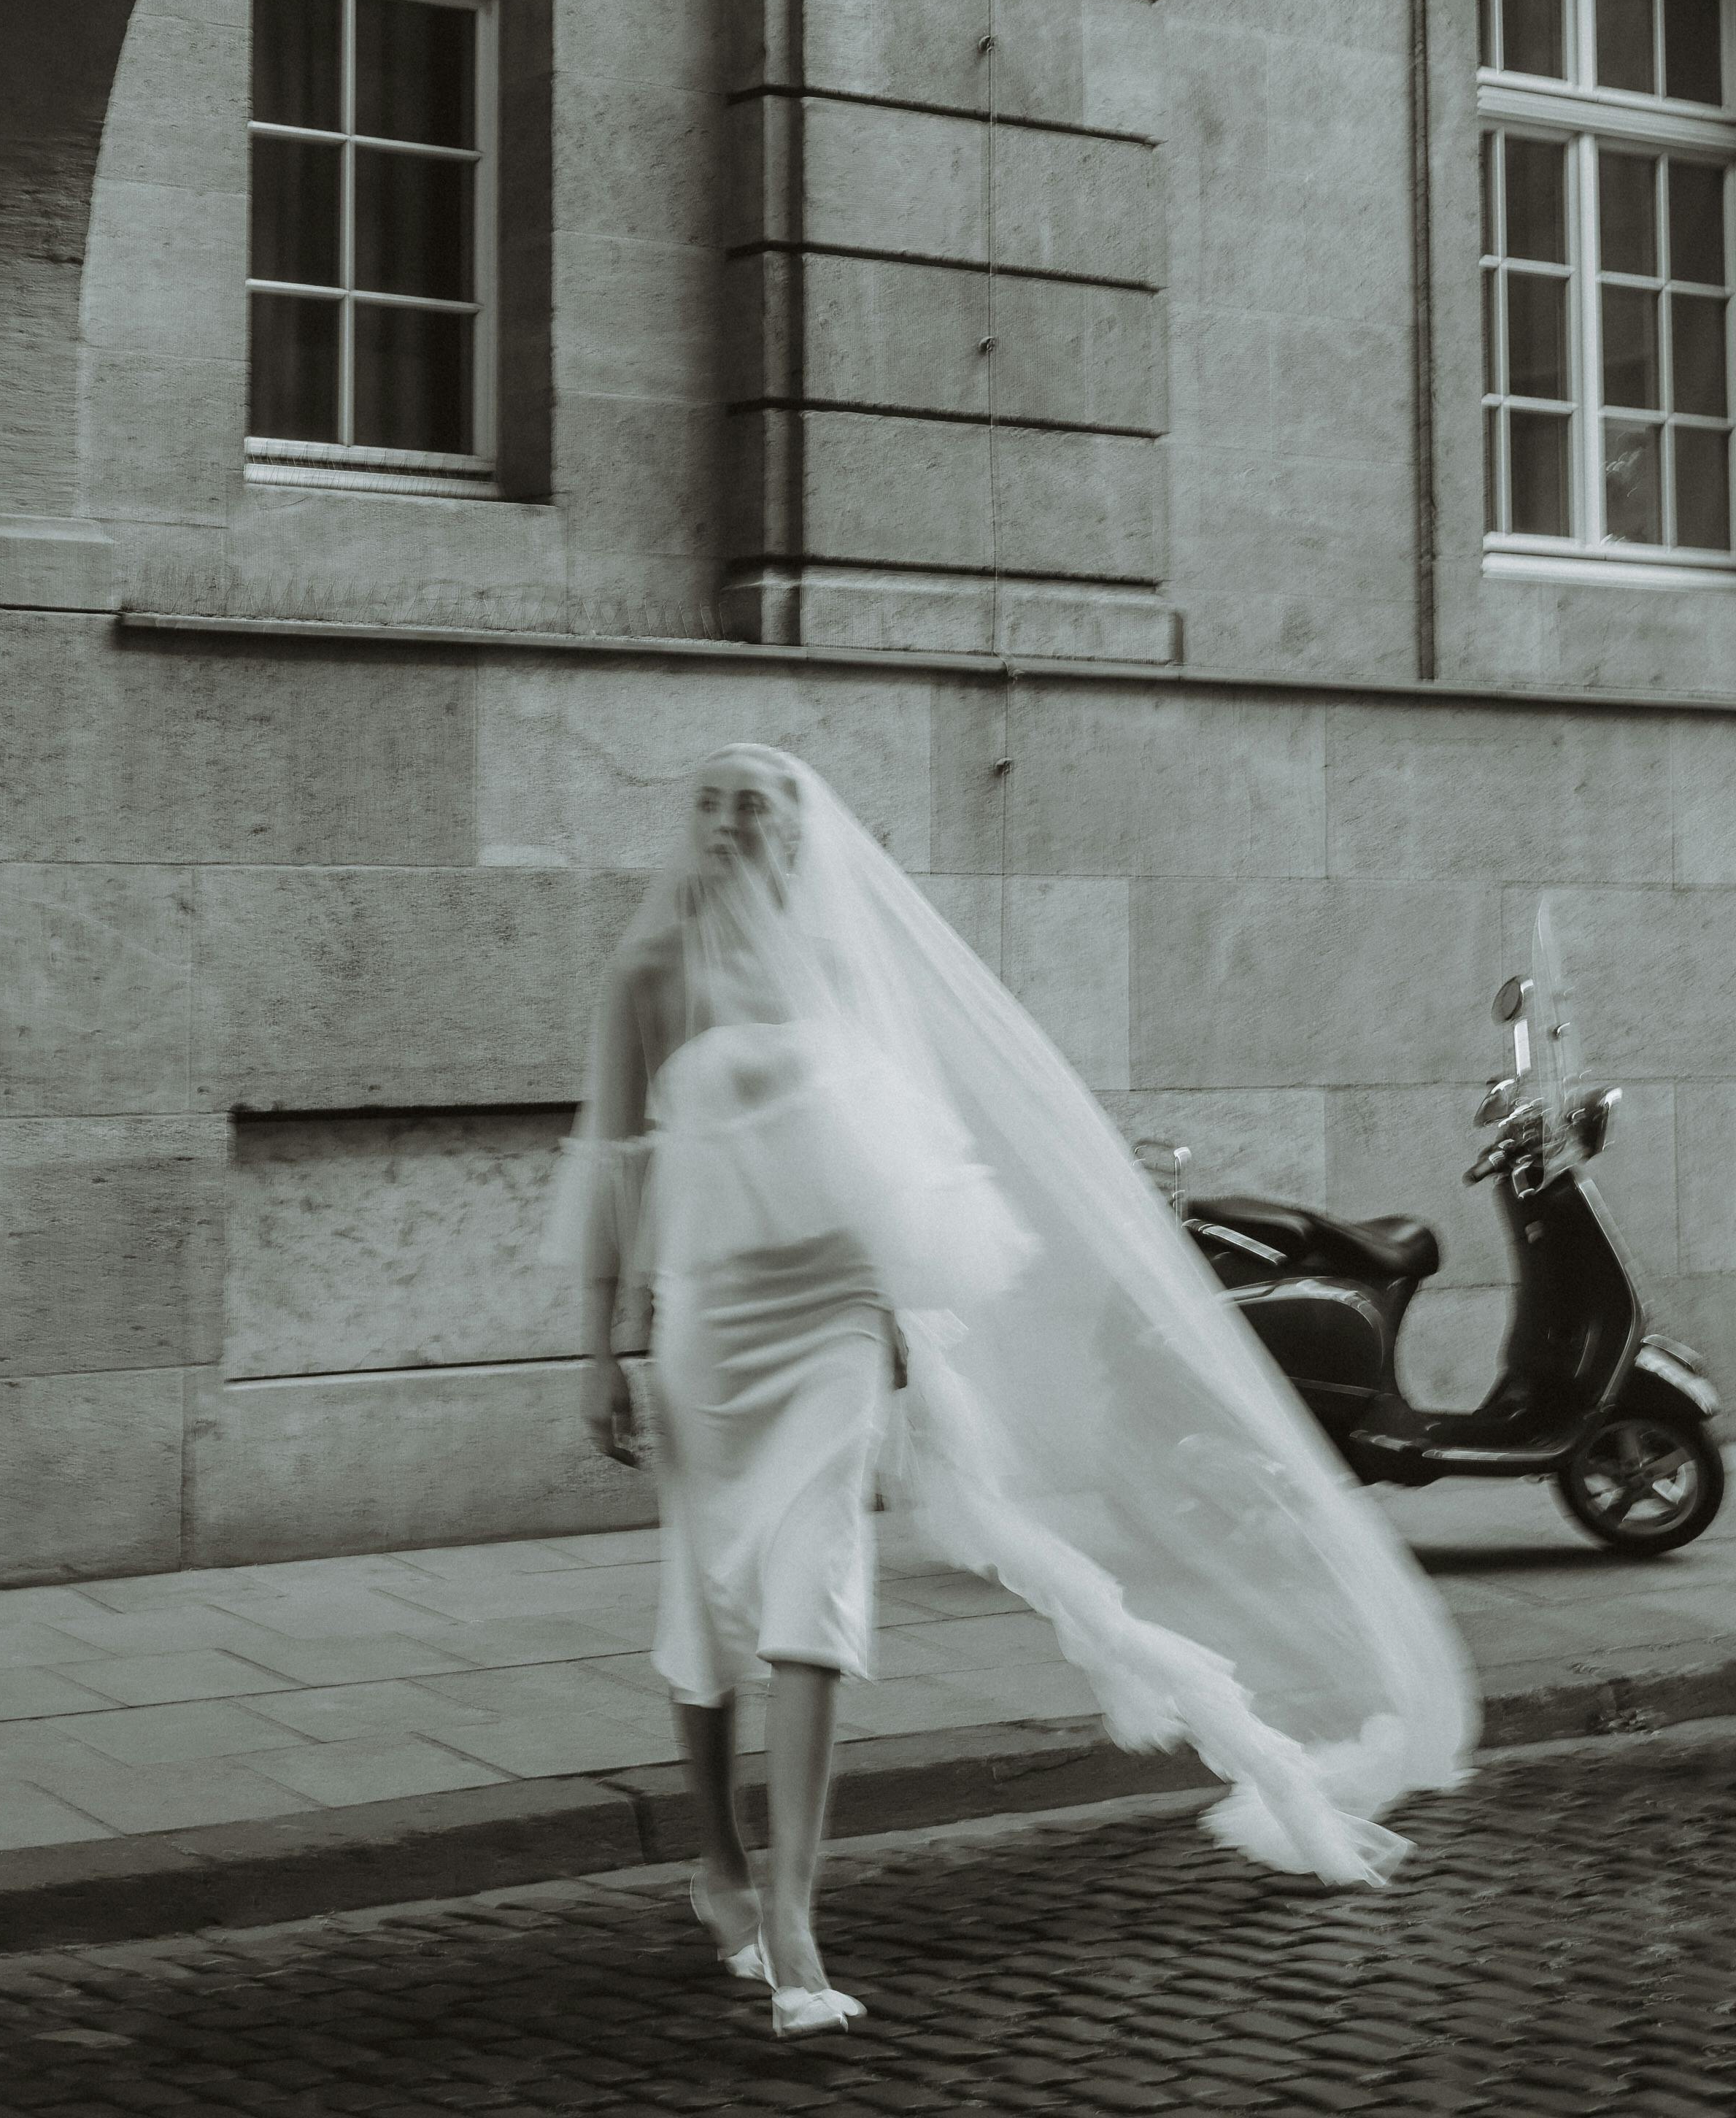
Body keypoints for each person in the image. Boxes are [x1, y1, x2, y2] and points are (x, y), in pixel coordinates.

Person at [552, 745, 1475, 2038]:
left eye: (752, 807)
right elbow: (613, 1172)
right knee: (708, 1613)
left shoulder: (831, 971)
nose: (727, 824)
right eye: (707, 803)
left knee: (812, 1597)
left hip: (829, 1322)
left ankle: (799, 1906)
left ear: (792, 835)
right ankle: (716, 1858)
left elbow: (898, 1159)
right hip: (709, 1331)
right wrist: (598, 1348)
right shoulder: (647, 977)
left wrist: (893, 1313)